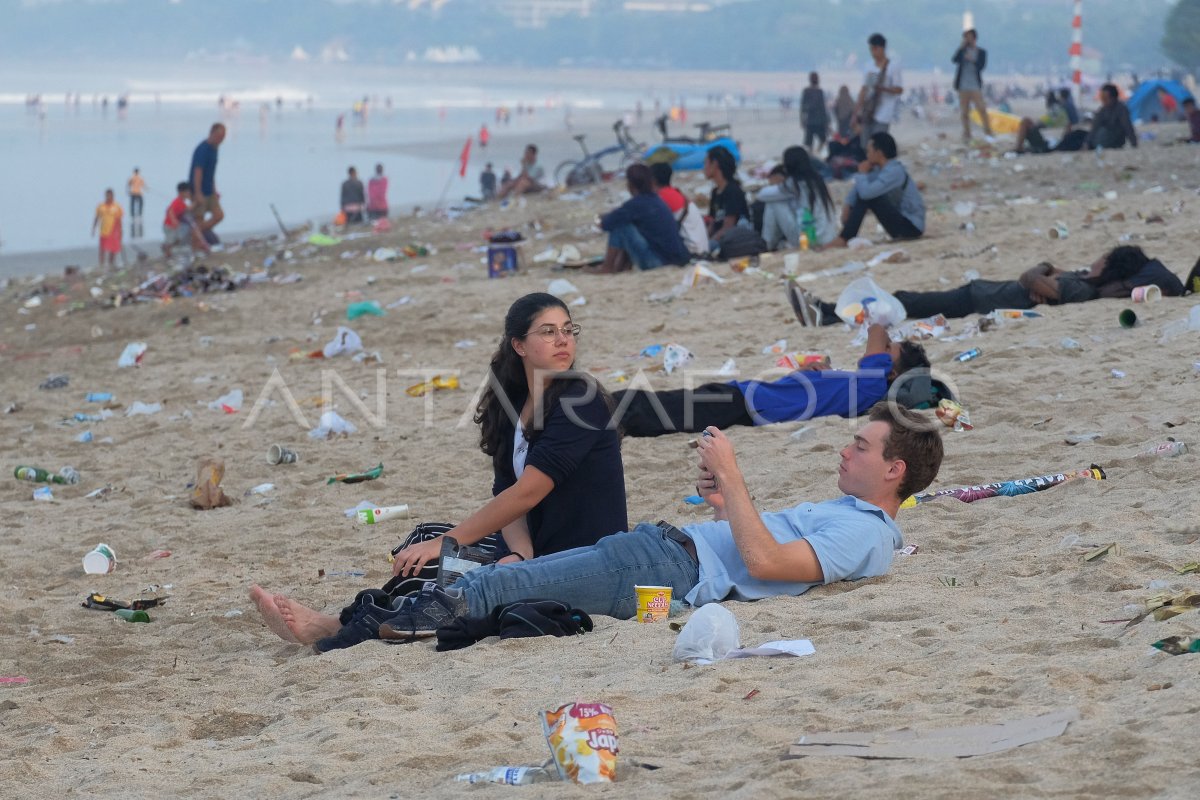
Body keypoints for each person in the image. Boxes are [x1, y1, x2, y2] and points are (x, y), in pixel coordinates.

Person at [342, 402, 944, 640]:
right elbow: (757, 550)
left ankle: (337, 632)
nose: (845, 450)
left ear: (894, 471)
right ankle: (365, 620)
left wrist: (733, 479)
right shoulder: (850, 514)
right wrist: (722, 500)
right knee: (511, 585)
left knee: (496, 585)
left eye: (860, 446)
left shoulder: (865, 533)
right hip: (664, 558)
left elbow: (767, 564)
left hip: (667, 570)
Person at [250, 293, 629, 651]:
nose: (563, 339)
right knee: (426, 538)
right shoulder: (513, 403)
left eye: (568, 330)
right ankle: (348, 620)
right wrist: (519, 550)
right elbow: (507, 493)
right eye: (548, 331)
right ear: (519, 345)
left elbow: (528, 492)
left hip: (581, 557)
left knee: (437, 555)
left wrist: (453, 543)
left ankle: (335, 626)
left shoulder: (582, 399)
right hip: (537, 548)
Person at [614, 323, 933, 437]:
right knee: (676, 407)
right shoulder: (865, 385)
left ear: (890, 371)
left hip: (751, 399)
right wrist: (808, 376)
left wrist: (886, 328)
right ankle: (620, 413)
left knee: (670, 407)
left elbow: (876, 328)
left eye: (890, 351)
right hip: (761, 400)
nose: (884, 346)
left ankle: (613, 409)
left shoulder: (872, 383)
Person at [789, 246, 1185, 326]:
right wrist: (1045, 272)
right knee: (907, 304)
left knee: (906, 303)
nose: (1096, 258)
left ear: (1111, 265)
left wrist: (1040, 272)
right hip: (980, 296)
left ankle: (826, 314)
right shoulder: (1083, 281)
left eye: (1103, 256)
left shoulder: (1083, 290)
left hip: (978, 299)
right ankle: (826, 312)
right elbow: (1041, 278)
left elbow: (1032, 279)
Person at [827, 132, 924, 248]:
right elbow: (859, 189)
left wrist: (861, 173)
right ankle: (844, 237)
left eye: (869, 151)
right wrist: (848, 204)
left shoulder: (895, 171)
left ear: (879, 153)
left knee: (869, 196)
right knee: (866, 192)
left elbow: (866, 193)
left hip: (911, 228)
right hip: (900, 225)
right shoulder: (879, 170)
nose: (866, 155)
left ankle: (845, 238)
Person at [590, 163, 690, 273]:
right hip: (676, 260)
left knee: (621, 226)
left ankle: (607, 267)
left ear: (630, 185)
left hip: (660, 263)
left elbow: (606, 224)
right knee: (626, 224)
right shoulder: (656, 200)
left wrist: (603, 217)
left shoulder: (636, 204)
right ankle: (620, 268)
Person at [758, 145, 838, 251]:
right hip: (828, 238)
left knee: (773, 203)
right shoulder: (817, 180)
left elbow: (762, 195)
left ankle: (767, 244)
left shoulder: (794, 184)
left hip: (810, 240)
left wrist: (777, 183)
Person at [854, 33, 903, 148]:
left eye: (875, 49)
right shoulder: (868, 66)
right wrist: (855, 113)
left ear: (882, 48)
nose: (873, 52)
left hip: (884, 113)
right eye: (871, 49)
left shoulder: (893, 67)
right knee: (865, 144)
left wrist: (883, 89)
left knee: (878, 145)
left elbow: (899, 89)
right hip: (868, 111)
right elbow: (864, 90)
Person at [650, 161, 708, 256]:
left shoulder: (661, 197)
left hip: (691, 251)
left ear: (653, 180)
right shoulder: (676, 193)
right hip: (701, 248)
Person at [703, 145, 750, 251]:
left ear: (714, 164)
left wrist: (708, 245)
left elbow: (728, 226)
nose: (704, 167)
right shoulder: (716, 192)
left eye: (705, 162)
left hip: (735, 239)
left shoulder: (732, 191)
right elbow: (712, 222)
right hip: (721, 238)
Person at [952, 29, 993, 142]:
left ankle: (988, 131)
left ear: (974, 38)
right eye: (965, 37)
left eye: (969, 37)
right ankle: (967, 133)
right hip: (962, 86)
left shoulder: (981, 52)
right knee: (964, 112)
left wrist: (972, 60)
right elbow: (954, 60)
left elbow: (981, 66)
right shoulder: (962, 51)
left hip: (975, 85)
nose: (967, 39)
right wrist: (961, 49)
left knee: (981, 109)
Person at [1014, 89, 1082, 154]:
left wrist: (1035, 124)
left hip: (1050, 144)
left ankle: (1018, 148)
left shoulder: (1055, 109)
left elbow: (1042, 123)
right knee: (1028, 122)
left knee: (1025, 121)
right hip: (1055, 141)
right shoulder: (1063, 108)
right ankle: (1019, 147)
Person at [190, 122, 226, 238]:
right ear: (212, 133)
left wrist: (215, 190)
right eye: (220, 137)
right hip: (199, 190)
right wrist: (198, 193)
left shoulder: (214, 149)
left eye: (223, 137)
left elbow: (211, 172)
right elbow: (197, 172)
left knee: (218, 215)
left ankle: (199, 234)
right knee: (199, 219)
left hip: (210, 190)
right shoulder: (202, 149)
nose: (221, 140)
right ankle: (196, 239)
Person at [162, 181, 207, 258]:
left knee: (176, 239)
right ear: (182, 192)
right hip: (169, 226)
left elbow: (187, 209)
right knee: (172, 240)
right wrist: (174, 220)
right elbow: (170, 210)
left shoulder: (181, 202)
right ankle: (167, 250)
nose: (189, 193)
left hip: (173, 225)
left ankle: (167, 250)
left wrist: (195, 203)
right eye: (187, 192)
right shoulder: (177, 201)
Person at [1087, 83, 1137, 150]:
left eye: (1105, 99)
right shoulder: (1103, 110)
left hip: (1115, 140)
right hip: (1103, 139)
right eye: (1102, 99)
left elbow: (1128, 126)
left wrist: (1134, 143)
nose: (1103, 101)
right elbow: (1095, 127)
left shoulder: (1121, 109)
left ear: (1113, 98)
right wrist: (1087, 142)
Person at [91, 188, 123, 267]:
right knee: (102, 249)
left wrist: (120, 231)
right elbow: (97, 217)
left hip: (113, 230)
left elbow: (119, 220)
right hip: (103, 231)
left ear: (113, 196)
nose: (108, 197)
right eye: (107, 196)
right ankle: (101, 264)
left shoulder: (117, 206)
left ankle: (111, 264)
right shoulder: (101, 206)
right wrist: (93, 228)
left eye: (110, 196)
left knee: (113, 249)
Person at [800, 72, 829, 153]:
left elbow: (803, 107)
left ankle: (812, 156)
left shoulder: (806, 91)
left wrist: (802, 120)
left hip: (809, 120)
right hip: (819, 120)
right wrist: (826, 122)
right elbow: (823, 108)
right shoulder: (819, 91)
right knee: (823, 140)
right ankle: (816, 153)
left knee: (809, 143)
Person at [126, 167, 145, 238]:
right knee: (134, 205)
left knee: (139, 204)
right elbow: (129, 184)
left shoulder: (138, 178)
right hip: (134, 193)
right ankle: (134, 215)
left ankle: (138, 215)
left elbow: (142, 185)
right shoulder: (133, 178)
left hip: (137, 193)